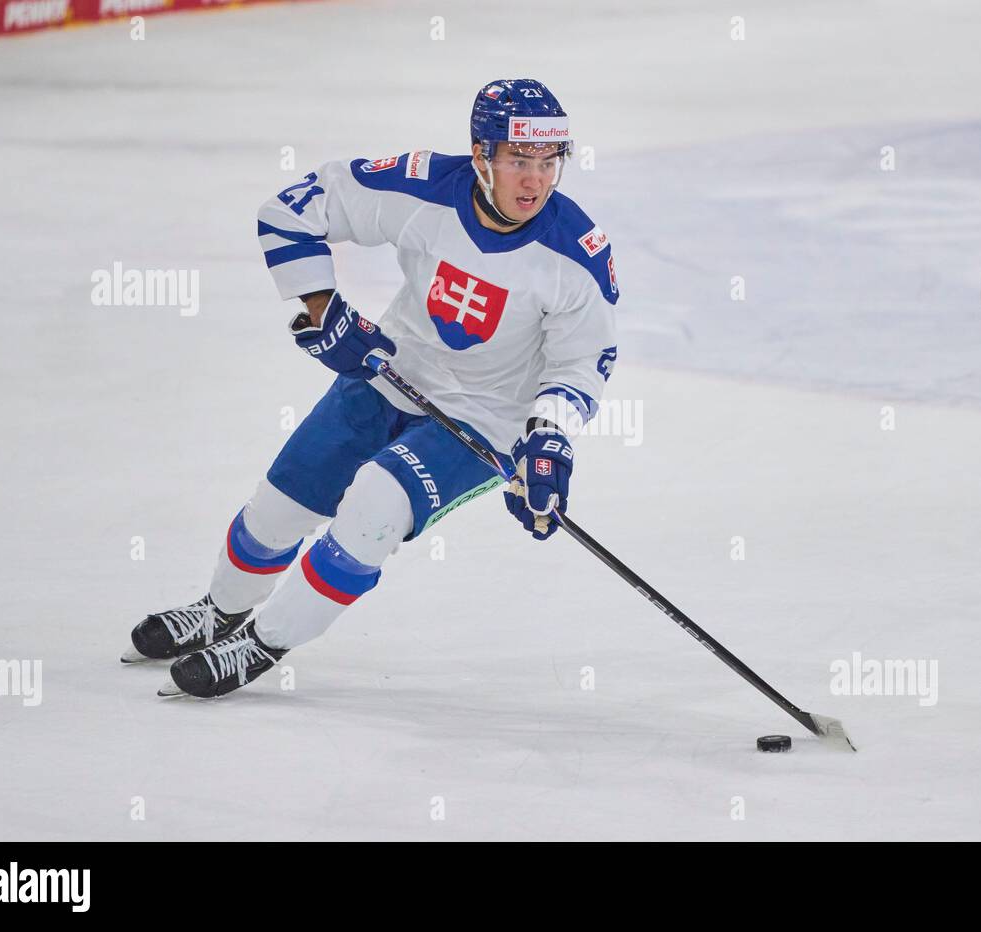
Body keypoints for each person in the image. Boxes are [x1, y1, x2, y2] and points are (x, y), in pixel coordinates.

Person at [122, 78, 620, 698]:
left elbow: (581, 365)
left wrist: (547, 441)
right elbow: (290, 211)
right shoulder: (420, 187)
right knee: (279, 508)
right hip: (390, 373)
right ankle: (218, 611)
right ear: (480, 154)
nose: (536, 182)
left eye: (550, 163)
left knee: (373, 511)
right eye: (520, 161)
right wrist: (321, 308)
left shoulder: (576, 253)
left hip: (483, 422)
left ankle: (261, 642)